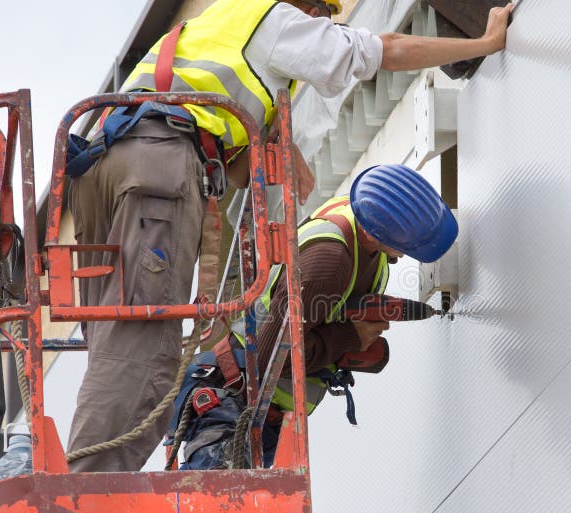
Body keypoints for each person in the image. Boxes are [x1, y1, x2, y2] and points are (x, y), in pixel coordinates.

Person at [67, 0, 512, 472]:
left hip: (105, 165)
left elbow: (238, 170)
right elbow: (387, 48)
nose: (326, 24)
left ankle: (68, 468)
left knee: (113, 339)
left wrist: (275, 136)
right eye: (324, 13)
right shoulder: (277, 20)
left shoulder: (221, 26)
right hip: (160, 165)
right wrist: (487, 43)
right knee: (146, 348)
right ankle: (86, 491)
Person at [169, 164, 457, 469]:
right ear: (375, 234)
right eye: (404, 247)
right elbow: (269, 359)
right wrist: (350, 336)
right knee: (214, 510)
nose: (404, 254)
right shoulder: (329, 263)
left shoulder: (360, 210)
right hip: (231, 400)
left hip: (260, 413)